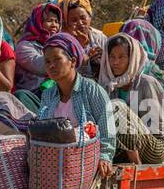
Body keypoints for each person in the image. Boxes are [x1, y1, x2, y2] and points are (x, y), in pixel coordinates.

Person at [37, 32, 117, 179]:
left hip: (86, 164)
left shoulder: (92, 90)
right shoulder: (47, 95)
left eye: (57, 59)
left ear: (72, 61)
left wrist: (105, 157)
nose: (51, 66)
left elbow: (107, 128)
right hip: (57, 166)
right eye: (47, 61)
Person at [99, 33, 164, 165]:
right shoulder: (109, 84)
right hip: (126, 143)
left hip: (154, 146)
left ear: (132, 58)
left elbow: (155, 127)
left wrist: (128, 122)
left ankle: (137, 166)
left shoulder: (146, 83)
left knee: (116, 107)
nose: (115, 62)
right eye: (112, 57)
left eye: (122, 57)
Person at [14, 0, 64, 93]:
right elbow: (43, 66)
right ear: (38, 22)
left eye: (57, 21)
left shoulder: (60, 43)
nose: (54, 25)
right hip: (32, 94)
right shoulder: (24, 46)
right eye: (49, 21)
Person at [61, 0, 108, 81]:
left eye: (83, 18)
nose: (80, 23)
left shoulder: (100, 37)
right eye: (74, 20)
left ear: (89, 17)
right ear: (67, 22)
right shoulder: (63, 42)